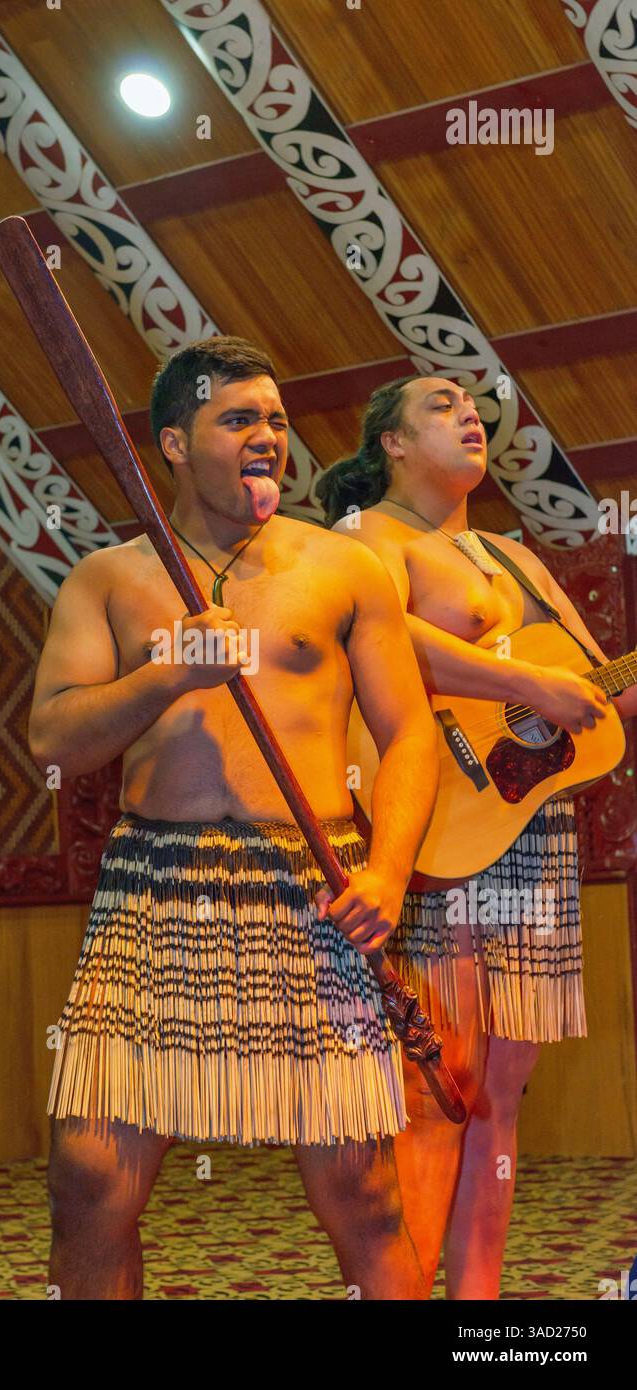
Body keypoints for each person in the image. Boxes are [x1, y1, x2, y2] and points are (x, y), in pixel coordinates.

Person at [29, 337, 439, 1300]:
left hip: (312, 887)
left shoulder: (341, 570)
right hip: (152, 893)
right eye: (238, 419)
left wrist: (384, 874)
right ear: (172, 442)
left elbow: (410, 735)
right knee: (89, 1180)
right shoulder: (108, 579)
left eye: (277, 421)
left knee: (360, 1186)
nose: (267, 437)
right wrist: (171, 669)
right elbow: (52, 739)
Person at [317, 373, 637, 1299]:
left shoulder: (512, 554)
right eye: (442, 404)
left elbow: (597, 684)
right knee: (436, 1086)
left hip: (532, 834)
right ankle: (403, 1289)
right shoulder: (362, 538)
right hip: (432, 832)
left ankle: (479, 1312)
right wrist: (526, 690)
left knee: (499, 1097)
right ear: (390, 442)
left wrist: (570, 692)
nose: (471, 415)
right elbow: (381, 639)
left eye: (474, 406)